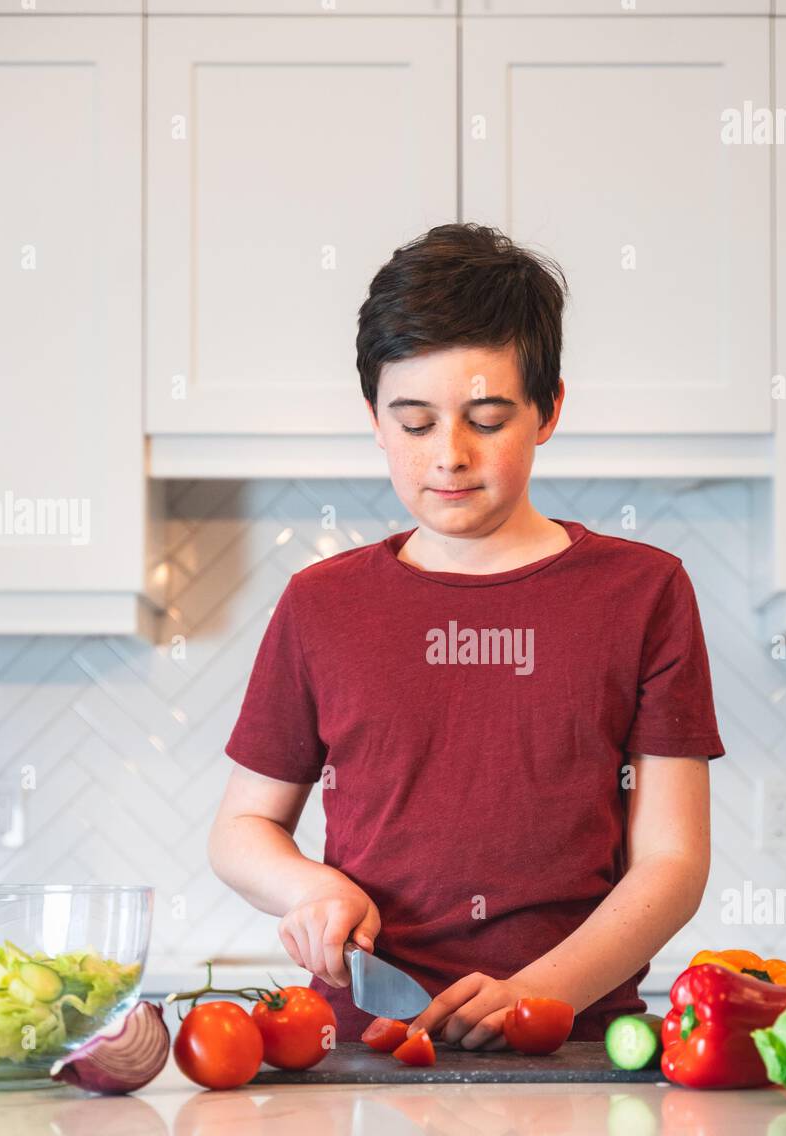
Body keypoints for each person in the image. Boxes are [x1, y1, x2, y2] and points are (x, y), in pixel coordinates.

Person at [210, 223, 725, 1049]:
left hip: (571, 1041)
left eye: (486, 419)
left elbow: (671, 863)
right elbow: (242, 831)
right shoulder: (321, 604)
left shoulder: (644, 592)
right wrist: (309, 889)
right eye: (413, 424)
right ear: (374, 419)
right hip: (360, 1047)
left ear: (549, 409)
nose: (448, 457)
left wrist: (534, 995)